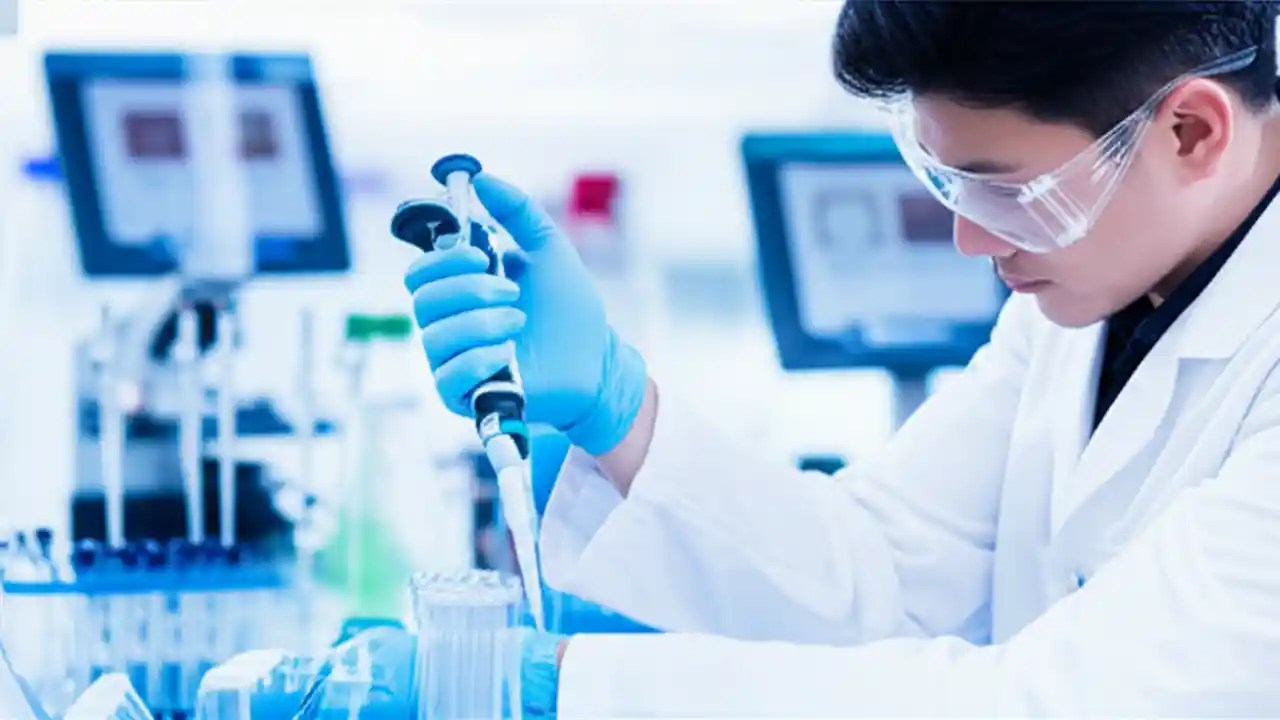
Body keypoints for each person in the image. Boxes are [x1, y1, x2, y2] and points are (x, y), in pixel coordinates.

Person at [403, 1, 1280, 716]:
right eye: (949, 183)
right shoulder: (1090, 290)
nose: (971, 238)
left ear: (1191, 133)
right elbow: (881, 579)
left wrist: (568, 691)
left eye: (1009, 191)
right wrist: (621, 415)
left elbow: (1063, 703)